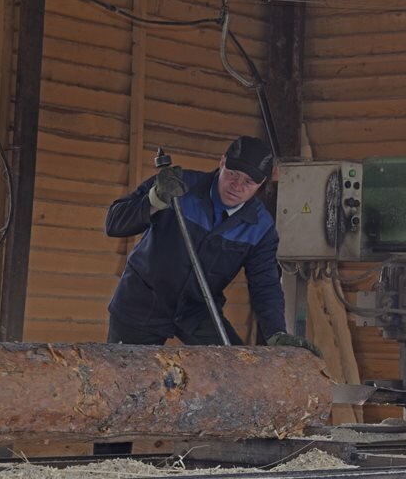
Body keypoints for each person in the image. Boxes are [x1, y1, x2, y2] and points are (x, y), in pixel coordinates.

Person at [104, 135, 319, 355]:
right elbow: (114, 224)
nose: (237, 186)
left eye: (248, 182)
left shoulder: (260, 229)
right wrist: (153, 200)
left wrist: (275, 332)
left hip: (198, 309)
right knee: (126, 376)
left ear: (262, 183)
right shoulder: (177, 188)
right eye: (232, 174)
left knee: (234, 370)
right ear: (222, 162)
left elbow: (265, 285)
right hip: (141, 301)